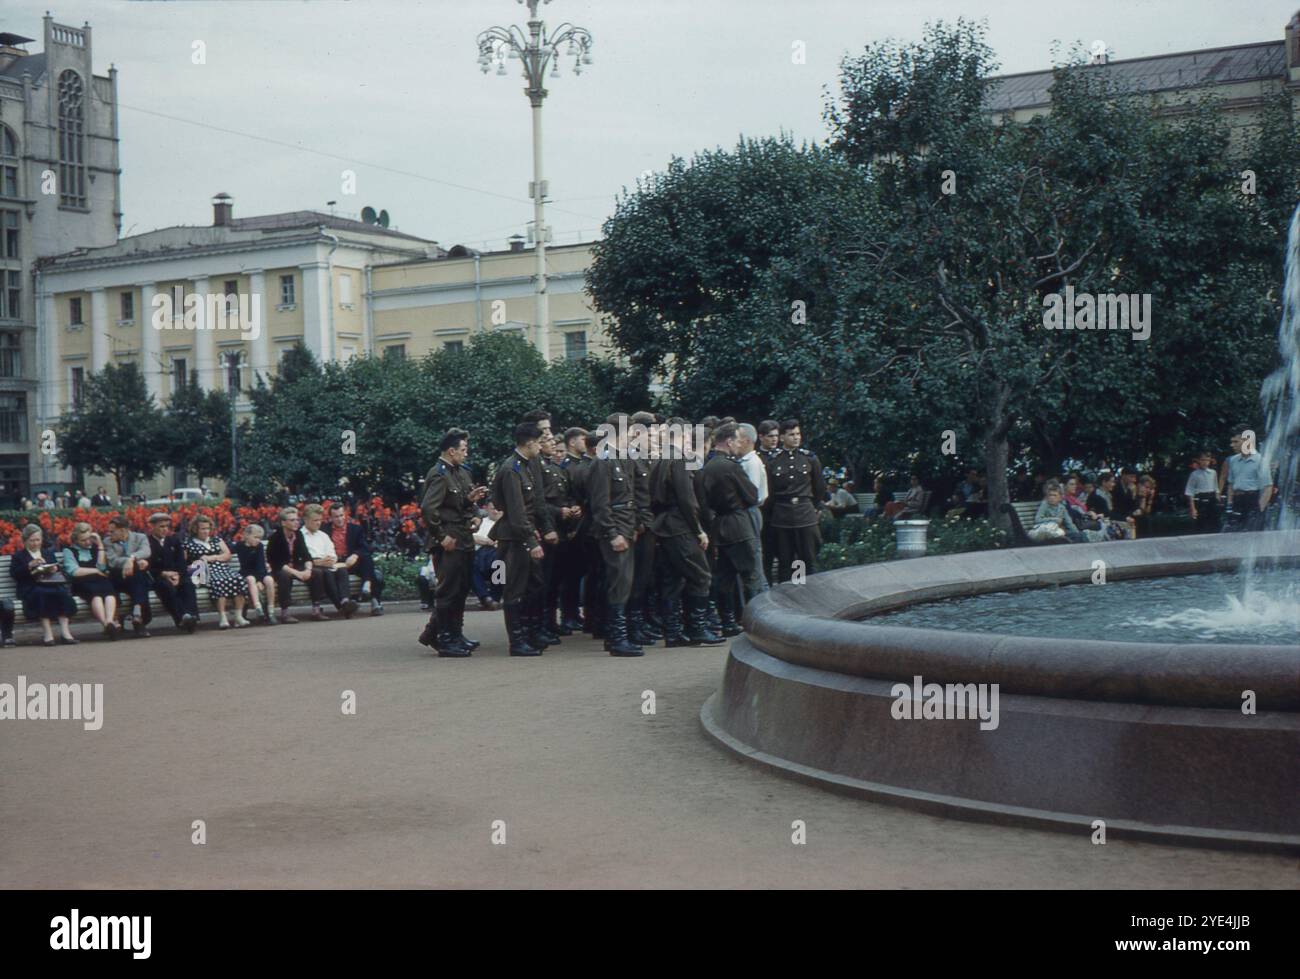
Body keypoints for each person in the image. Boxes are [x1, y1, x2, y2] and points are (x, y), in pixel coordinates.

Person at [649, 418, 724, 648]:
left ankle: (674, 632)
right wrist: (698, 529)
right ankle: (697, 628)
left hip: (664, 524)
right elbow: (686, 498)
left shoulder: (660, 458)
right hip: (679, 525)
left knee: (673, 579)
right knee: (701, 575)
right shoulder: (679, 459)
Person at [417, 428, 487, 657]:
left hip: (462, 537)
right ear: (451, 451)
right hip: (449, 540)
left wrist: (473, 509)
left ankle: (454, 634)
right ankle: (445, 639)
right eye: (463, 450)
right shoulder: (438, 474)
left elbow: (459, 503)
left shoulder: (459, 472)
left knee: (461, 589)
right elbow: (428, 509)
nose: (466, 454)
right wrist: (440, 535)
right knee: (448, 591)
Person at [587, 413, 645, 656]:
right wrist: (613, 533)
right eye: (629, 430)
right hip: (615, 530)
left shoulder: (624, 458)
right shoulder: (604, 460)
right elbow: (600, 504)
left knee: (625, 582)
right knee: (618, 583)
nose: (633, 434)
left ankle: (616, 637)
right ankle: (617, 638)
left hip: (626, 526)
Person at [489, 421, 547, 656]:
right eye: (540, 443)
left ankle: (529, 633)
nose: (541, 448)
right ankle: (517, 641)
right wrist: (531, 541)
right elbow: (515, 511)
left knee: (534, 585)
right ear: (530, 443)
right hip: (514, 538)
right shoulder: (512, 469)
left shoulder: (523, 466)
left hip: (522, 533)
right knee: (514, 589)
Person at [700, 422, 760, 636]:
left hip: (719, 527)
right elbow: (752, 496)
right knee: (751, 575)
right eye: (736, 439)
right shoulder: (731, 466)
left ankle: (727, 621)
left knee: (724, 578)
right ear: (728, 441)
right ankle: (758, 621)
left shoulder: (707, 467)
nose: (739, 444)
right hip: (738, 524)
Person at [765, 419, 827, 583]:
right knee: (786, 561)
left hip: (805, 514)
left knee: (808, 559)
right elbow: (770, 492)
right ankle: (788, 598)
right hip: (782, 516)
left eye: (798, 434)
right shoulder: (773, 460)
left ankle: (809, 594)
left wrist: (814, 507)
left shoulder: (810, 458)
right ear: (783, 437)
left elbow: (819, 488)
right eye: (791, 434)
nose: (796, 438)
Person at [10, 524, 78, 646]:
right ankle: (48, 633)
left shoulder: (46, 553)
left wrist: (54, 569)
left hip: (50, 583)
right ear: (25, 541)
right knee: (42, 594)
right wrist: (29, 565)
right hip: (30, 587)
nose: (35, 544)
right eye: (32, 541)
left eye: (38, 540)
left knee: (62, 593)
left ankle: (65, 632)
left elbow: (58, 569)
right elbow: (15, 574)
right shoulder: (18, 556)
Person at [553, 427, 589, 634]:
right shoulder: (567, 466)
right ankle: (567, 614)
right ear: (573, 442)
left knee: (576, 572)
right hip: (570, 527)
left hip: (580, 523)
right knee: (568, 574)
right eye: (582, 439)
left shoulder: (580, 464)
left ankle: (573, 613)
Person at [185, 514, 246, 629]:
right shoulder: (188, 543)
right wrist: (199, 563)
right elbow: (184, 563)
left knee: (238, 579)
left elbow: (227, 555)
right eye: (202, 529)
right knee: (218, 582)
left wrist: (212, 558)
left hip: (222, 568)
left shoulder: (216, 540)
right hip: (203, 571)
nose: (206, 531)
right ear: (195, 529)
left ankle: (238, 616)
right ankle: (223, 617)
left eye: (207, 528)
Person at [61, 522, 121, 639]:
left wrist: (100, 545)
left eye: (89, 539)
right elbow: (74, 571)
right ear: (76, 540)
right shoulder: (69, 551)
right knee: (96, 595)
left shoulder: (95, 548)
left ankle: (109, 622)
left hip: (99, 579)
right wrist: (95, 571)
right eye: (83, 540)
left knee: (109, 593)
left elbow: (102, 567)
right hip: (82, 581)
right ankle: (106, 624)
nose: (87, 542)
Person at [299, 504, 358, 620]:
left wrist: (330, 560)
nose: (318, 523)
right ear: (306, 520)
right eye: (315, 520)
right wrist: (318, 562)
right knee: (326, 573)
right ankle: (342, 606)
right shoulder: (300, 536)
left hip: (327, 565)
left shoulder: (323, 536)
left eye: (320, 520)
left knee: (341, 570)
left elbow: (332, 554)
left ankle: (345, 601)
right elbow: (301, 557)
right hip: (311, 567)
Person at [145, 512, 200, 632]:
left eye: (167, 526)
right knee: (165, 587)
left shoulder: (173, 540)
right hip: (158, 576)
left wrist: (178, 575)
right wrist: (163, 574)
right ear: (152, 526)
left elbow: (181, 562)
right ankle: (182, 617)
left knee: (188, 585)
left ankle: (191, 616)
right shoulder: (147, 542)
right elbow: (148, 566)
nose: (165, 529)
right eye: (161, 526)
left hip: (176, 574)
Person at [732, 423, 769, 602]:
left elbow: (751, 494)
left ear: (746, 441)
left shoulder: (751, 463)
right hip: (747, 512)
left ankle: (761, 601)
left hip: (750, 512)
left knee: (754, 557)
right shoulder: (743, 461)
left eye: (737, 439)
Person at [327, 503, 385, 615]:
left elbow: (364, 547)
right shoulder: (325, 530)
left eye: (341, 515)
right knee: (373, 572)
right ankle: (373, 600)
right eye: (336, 517)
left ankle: (368, 587)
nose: (339, 519)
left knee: (367, 558)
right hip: (335, 565)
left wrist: (355, 555)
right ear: (331, 518)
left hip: (352, 562)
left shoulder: (355, 529)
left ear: (345, 515)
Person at [105, 514, 154, 637]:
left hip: (134, 578)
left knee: (138, 576)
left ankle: (137, 616)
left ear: (123, 530)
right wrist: (133, 562)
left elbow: (146, 551)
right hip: (117, 577)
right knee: (139, 575)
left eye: (112, 531)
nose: (109, 534)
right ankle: (138, 617)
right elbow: (112, 561)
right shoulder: (107, 542)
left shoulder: (140, 537)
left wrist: (131, 559)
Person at [1224, 427, 1274, 532]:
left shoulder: (1260, 461)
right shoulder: (1233, 460)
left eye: (1236, 441)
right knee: (1234, 535)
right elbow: (1230, 485)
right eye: (1231, 442)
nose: (1232, 445)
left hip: (1252, 500)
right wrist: (1229, 505)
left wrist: (1259, 509)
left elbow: (1268, 487)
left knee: (1252, 536)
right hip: (1237, 501)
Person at [235, 523, 278, 625]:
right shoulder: (239, 546)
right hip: (246, 573)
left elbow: (261, 564)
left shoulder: (259, 547)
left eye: (259, 538)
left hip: (260, 573)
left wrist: (260, 580)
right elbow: (228, 549)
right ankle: (258, 607)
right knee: (250, 579)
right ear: (246, 535)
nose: (258, 540)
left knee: (269, 580)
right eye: (255, 537)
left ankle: (271, 610)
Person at [470, 501, 504, 611]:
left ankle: (495, 598)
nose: (495, 511)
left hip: (499, 556)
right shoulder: (481, 522)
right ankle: (485, 598)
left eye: (498, 509)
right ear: (487, 509)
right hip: (480, 555)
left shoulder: (506, 524)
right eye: (493, 508)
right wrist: (486, 541)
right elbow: (471, 537)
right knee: (470, 565)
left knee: (499, 564)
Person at [1184, 452, 1220, 534]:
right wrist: (1193, 508)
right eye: (1203, 460)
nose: (1205, 462)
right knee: (1201, 525)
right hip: (1200, 499)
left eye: (1207, 460)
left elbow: (1216, 487)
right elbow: (1190, 492)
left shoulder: (1213, 473)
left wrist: (1217, 499)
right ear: (1199, 461)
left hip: (1212, 498)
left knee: (1215, 524)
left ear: (1210, 461)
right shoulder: (1194, 474)